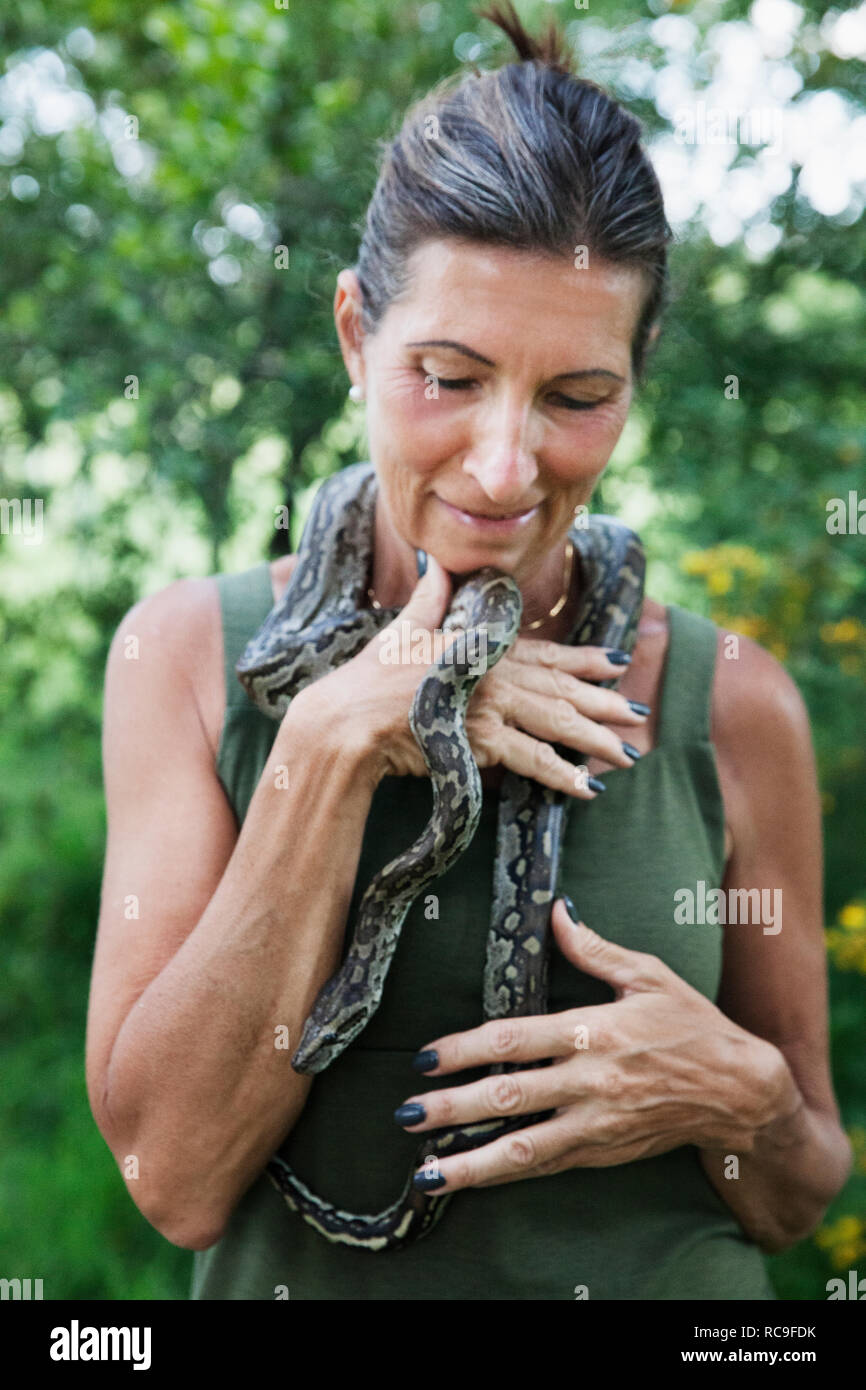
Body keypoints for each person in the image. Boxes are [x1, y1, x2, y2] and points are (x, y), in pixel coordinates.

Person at [86, 1, 851, 1300]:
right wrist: (336, 734)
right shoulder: (184, 656)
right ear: (352, 335)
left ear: (634, 377)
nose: (503, 468)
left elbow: (786, 1197)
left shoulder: (732, 702)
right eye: (446, 374)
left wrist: (744, 1092)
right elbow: (176, 1175)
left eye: (574, 396)